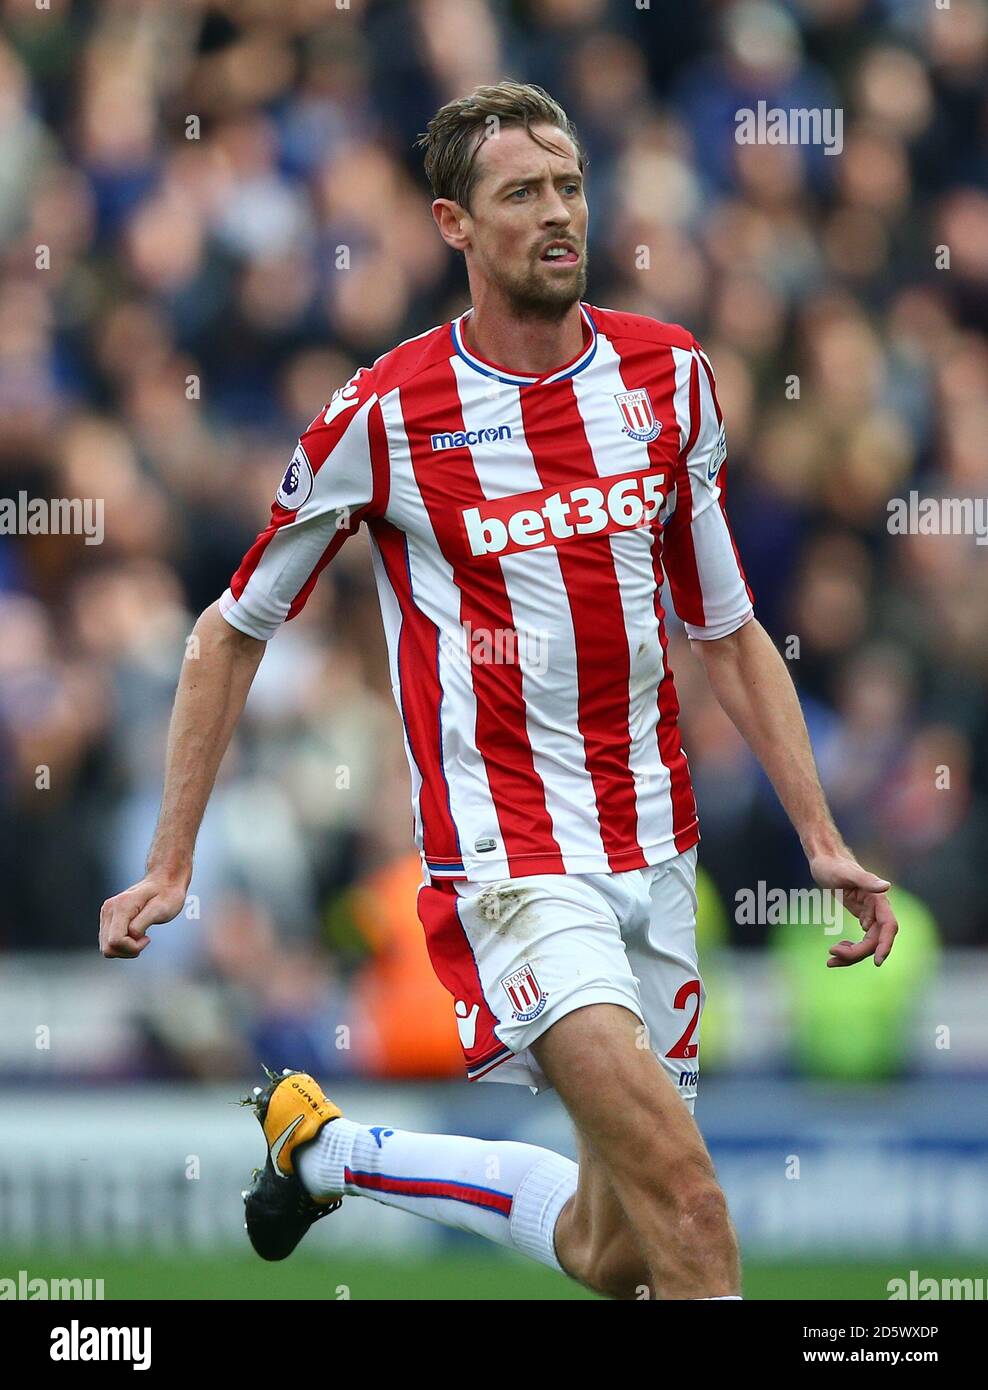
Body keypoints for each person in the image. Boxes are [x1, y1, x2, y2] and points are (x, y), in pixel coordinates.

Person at [99, 81, 898, 1300]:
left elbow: (729, 630)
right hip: (511, 858)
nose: (557, 213)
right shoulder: (385, 415)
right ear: (453, 225)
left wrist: (821, 834)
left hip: (654, 841)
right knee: (688, 1205)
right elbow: (229, 631)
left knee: (609, 1243)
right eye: (521, 192)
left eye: (569, 184)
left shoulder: (669, 378)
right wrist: (171, 861)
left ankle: (329, 1155)